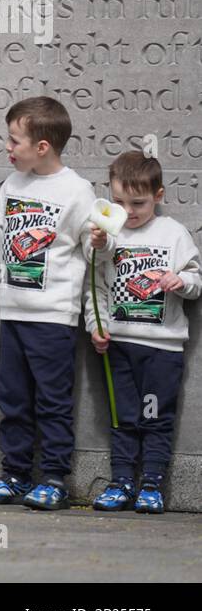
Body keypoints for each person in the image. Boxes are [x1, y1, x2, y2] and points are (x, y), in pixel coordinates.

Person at [0, 97, 95, 511]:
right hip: (13, 311)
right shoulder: (11, 185)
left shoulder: (77, 191)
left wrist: (102, 244)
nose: (8, 147)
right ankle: (15, 475)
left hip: (54, 317)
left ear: (43, 146)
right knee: (13, 398)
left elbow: (90, 255)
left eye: (14, 140)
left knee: (53, 401)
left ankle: (55, 477)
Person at [86, 151, 200, 513]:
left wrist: (181, 280)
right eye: (119, 202)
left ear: (159, 196)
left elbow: (197, 280)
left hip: (162, 349)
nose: (129, 211)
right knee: (122, 418)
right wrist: (95, 327)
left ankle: (151, 483)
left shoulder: (174, 233)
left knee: (155, 418)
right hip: (118, 346)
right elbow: (95, 288)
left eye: (138, 203)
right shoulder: (108, 237)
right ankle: (120, 481)